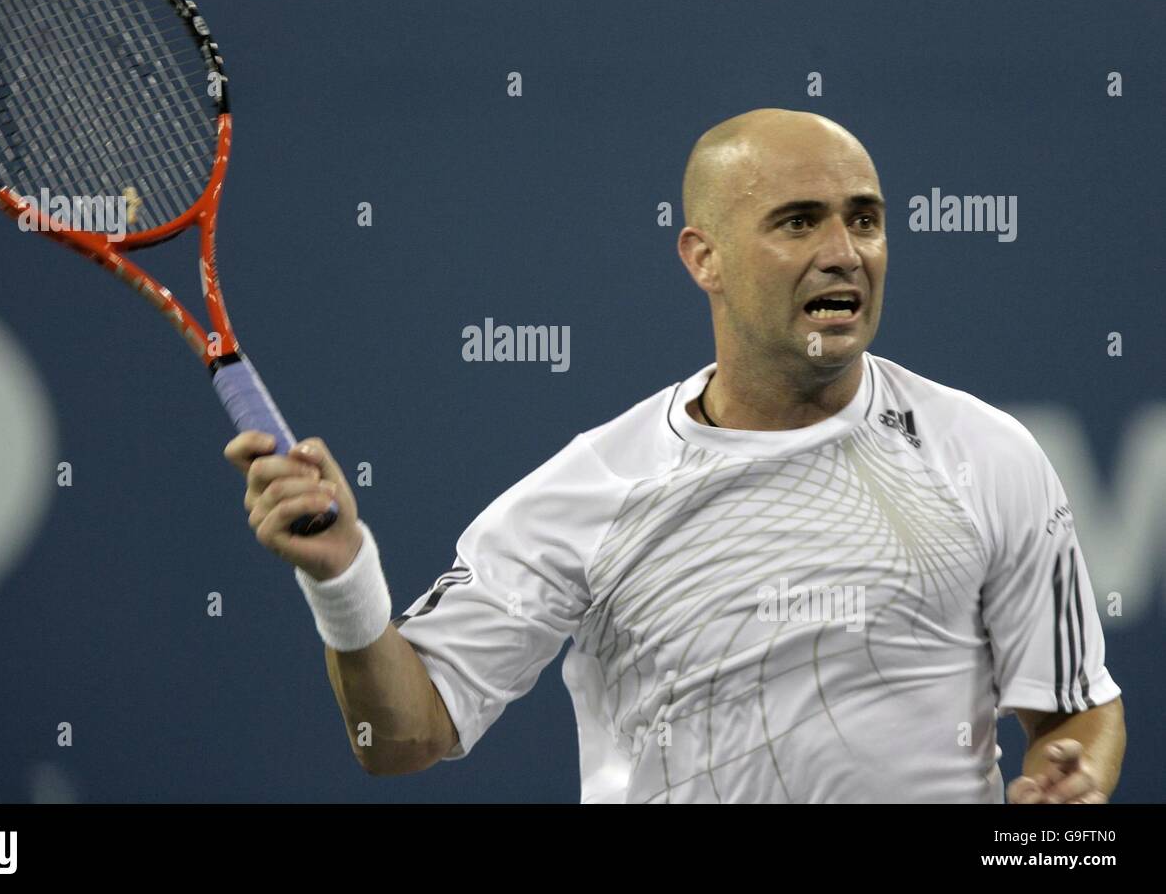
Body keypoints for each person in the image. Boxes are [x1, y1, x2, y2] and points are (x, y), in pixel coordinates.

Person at [224, 108, 1125, 803]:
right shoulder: (590, 491)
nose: (844, 253)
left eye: (865, 219)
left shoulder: (989, 455)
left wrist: (1066, 792)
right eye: (799, 222)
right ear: (705, 257)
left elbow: (1077, 707)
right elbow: (403, 737)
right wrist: (344, 580)